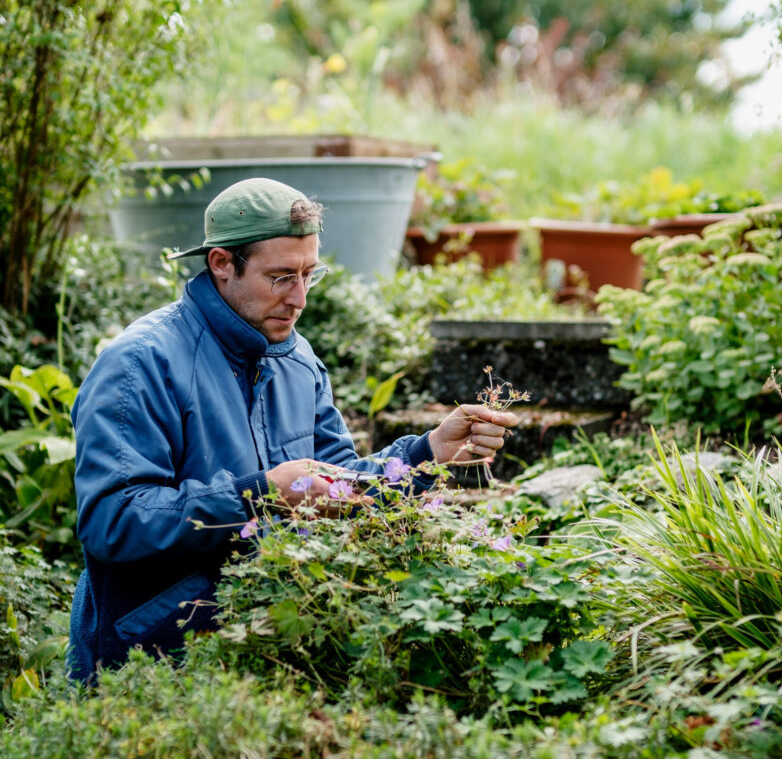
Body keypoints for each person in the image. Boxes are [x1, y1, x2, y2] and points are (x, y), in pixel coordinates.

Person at [68, 177, 518, 682]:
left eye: (309, 273)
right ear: (221, 264)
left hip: (273, 644)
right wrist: (261, 495)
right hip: (152, 659)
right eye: (281, 277)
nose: (300, 298)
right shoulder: (139, 364)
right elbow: (114, 521)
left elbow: (337, 481)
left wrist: (427, 452)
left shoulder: (296, 359)